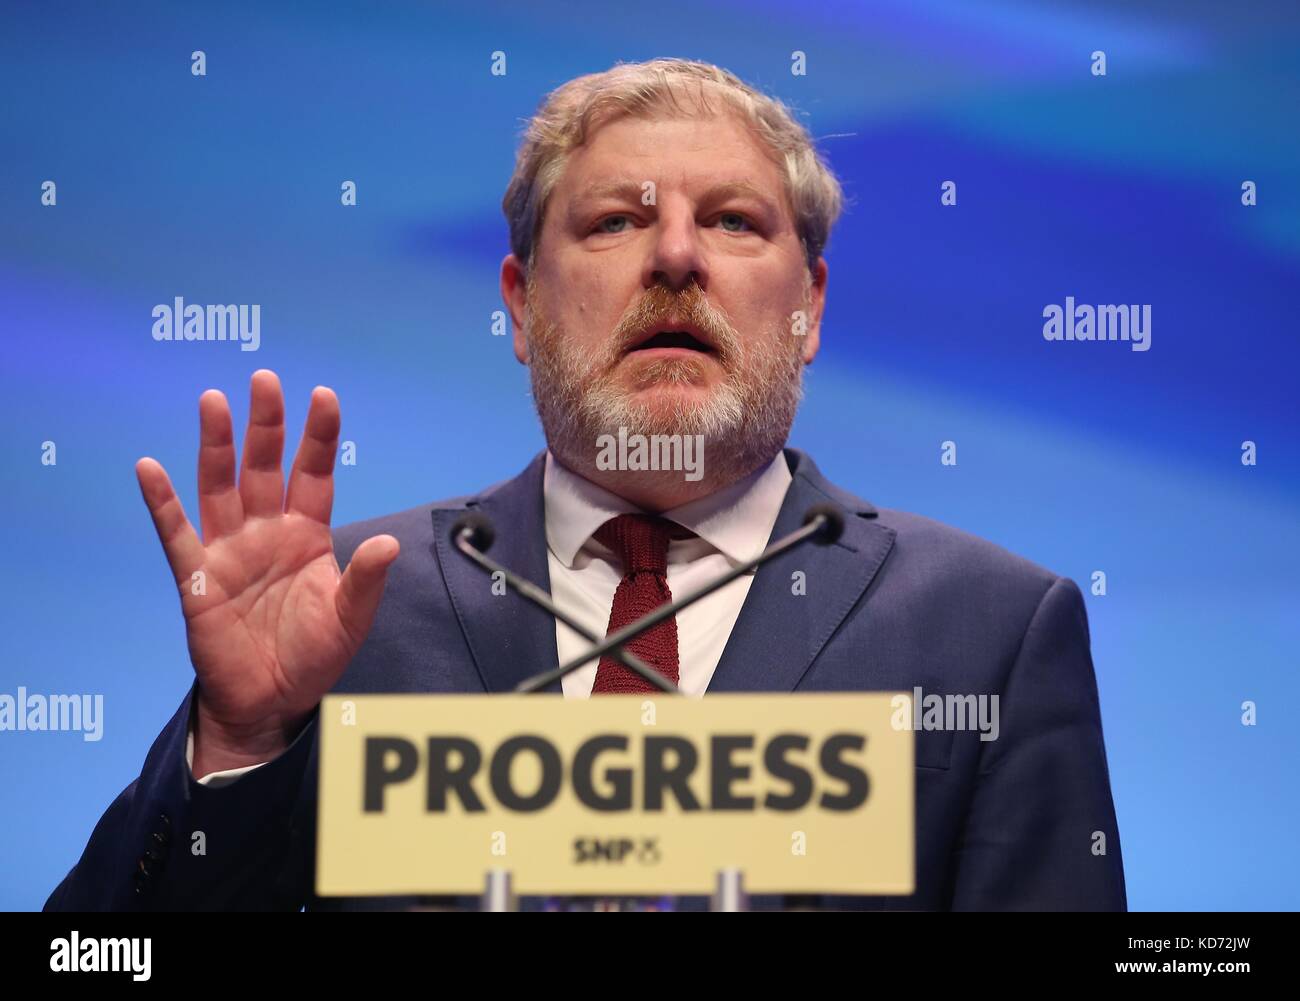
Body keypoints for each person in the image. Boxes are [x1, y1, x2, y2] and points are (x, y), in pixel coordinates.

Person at [46, 57, 1125, 911]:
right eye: (614, 220)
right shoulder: (345, 608)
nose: (674, 257)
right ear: (518, 304)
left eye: (733, 222)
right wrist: (238, 748)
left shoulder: (991, 630)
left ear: (811, 310)